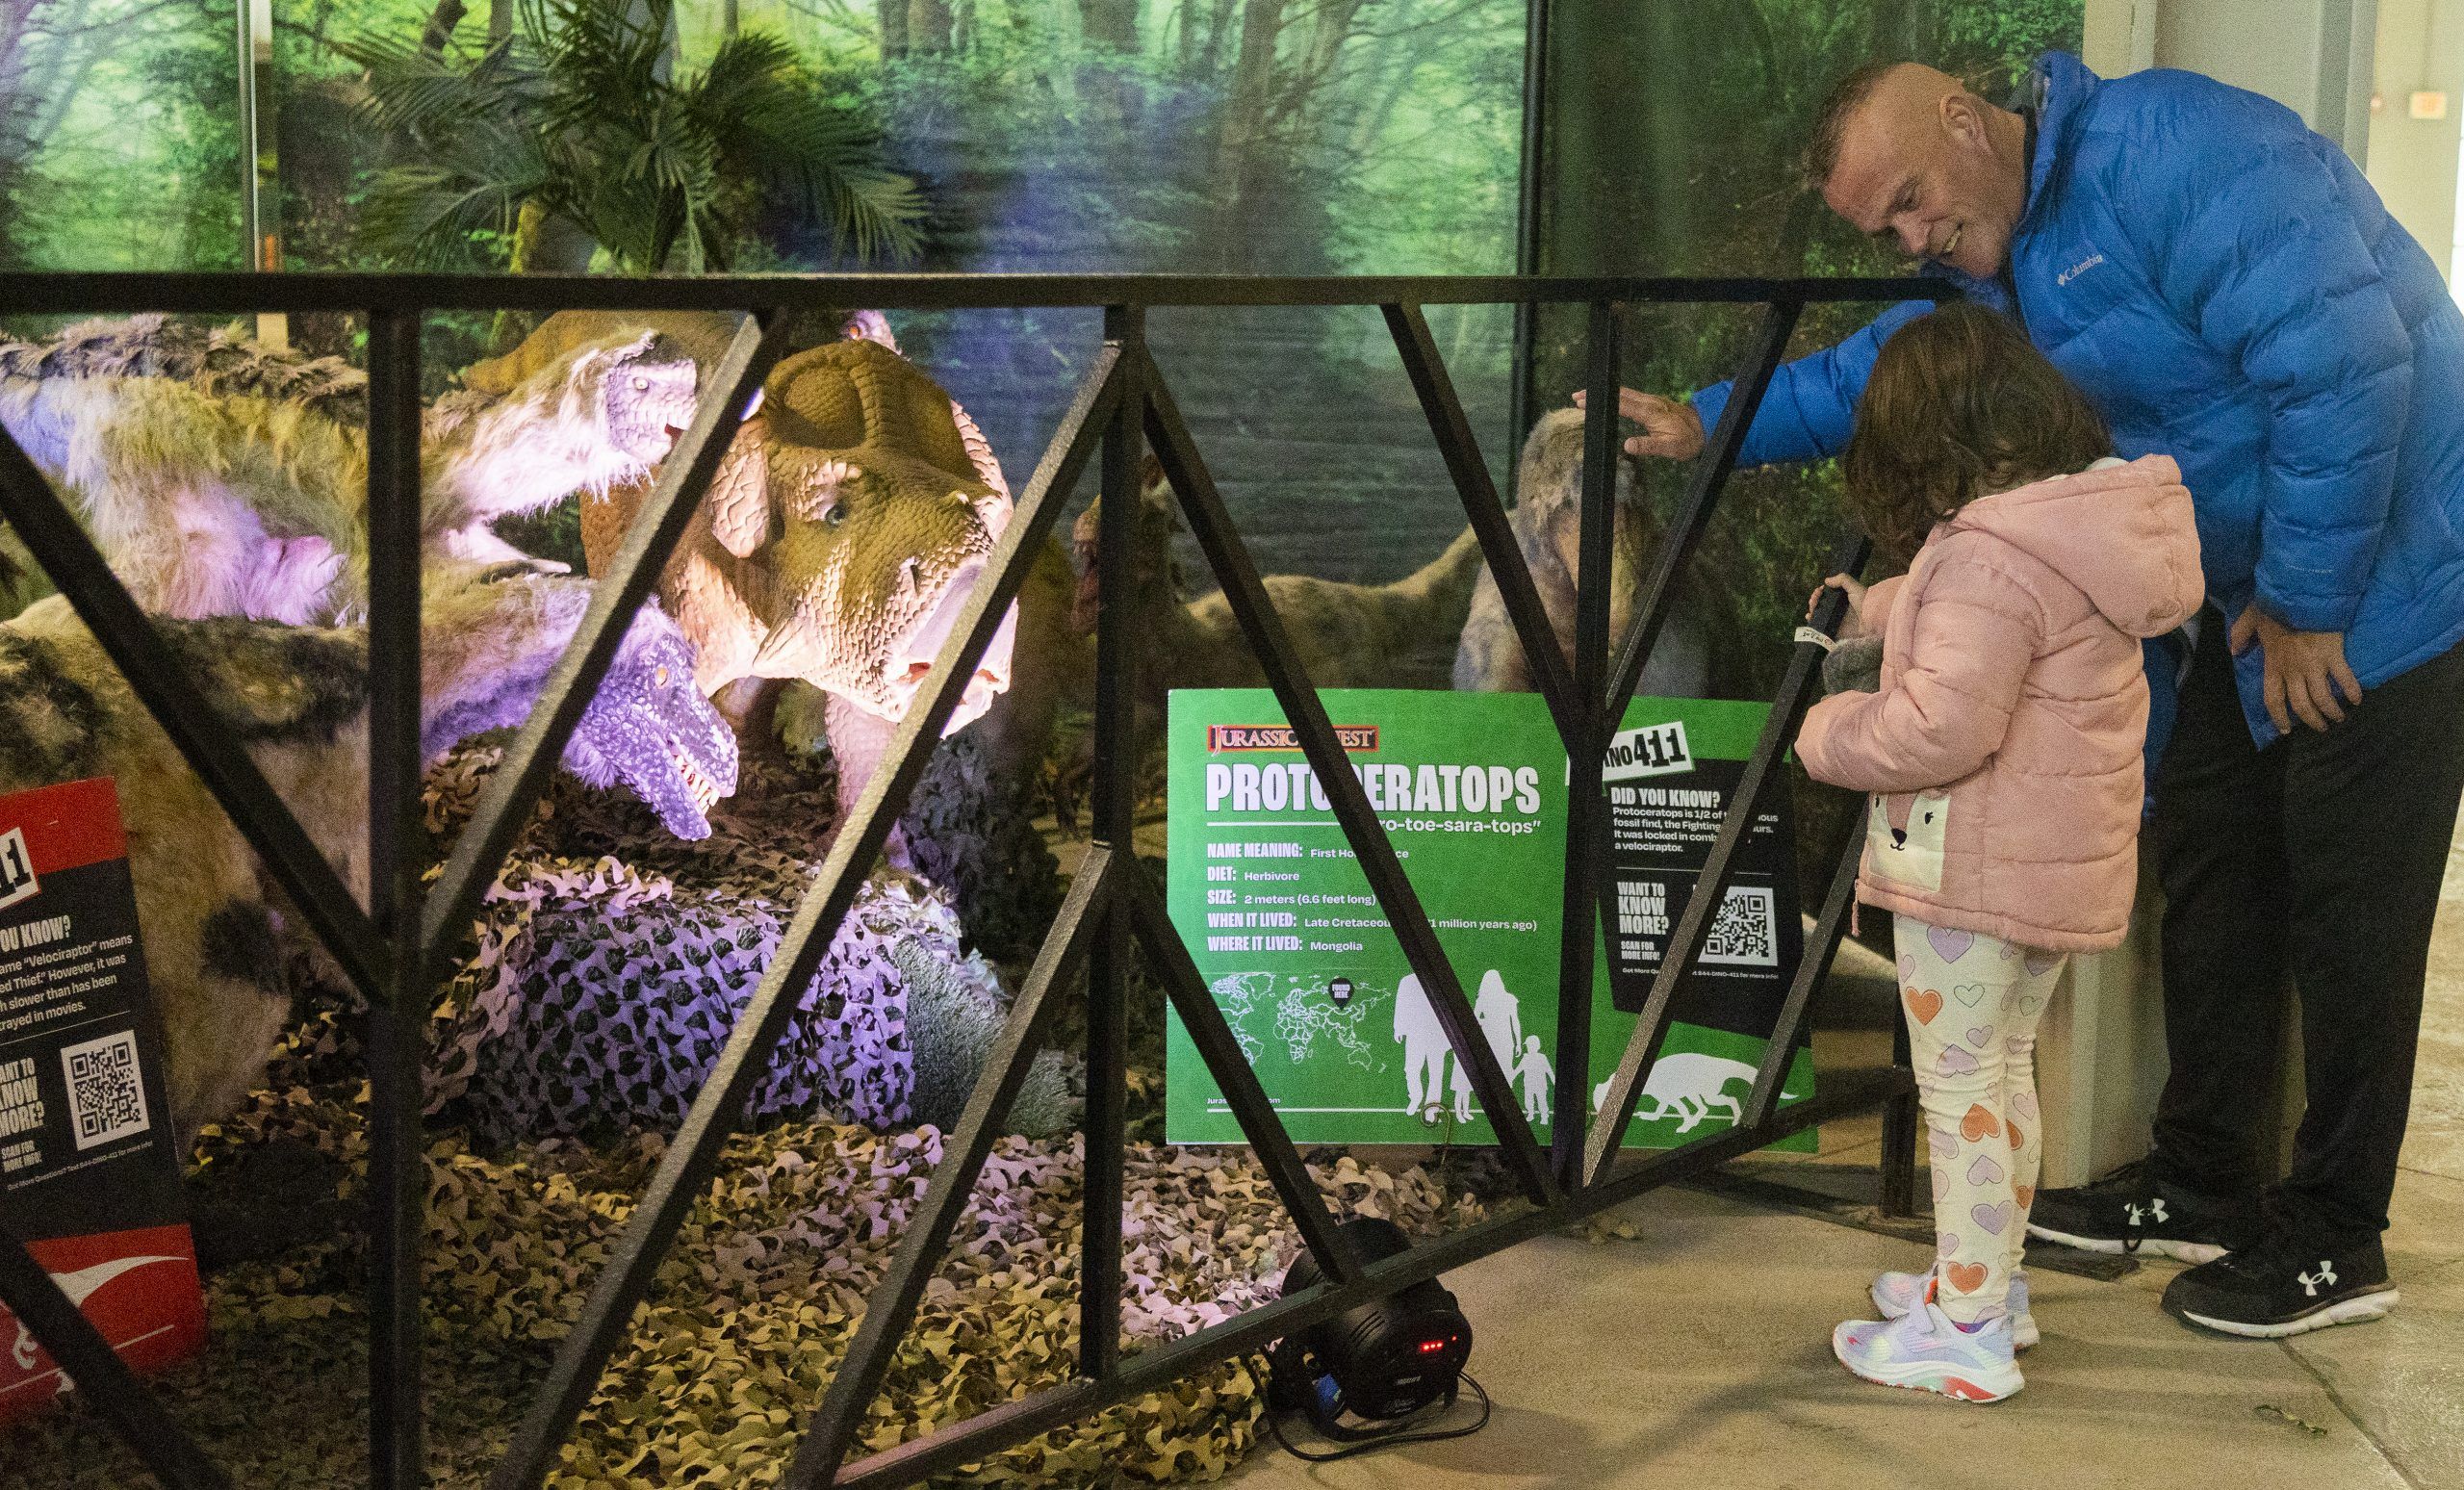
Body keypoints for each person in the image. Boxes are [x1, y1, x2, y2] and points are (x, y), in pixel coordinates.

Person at [1590, 52, 2464, 1339]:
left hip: (2388, 582)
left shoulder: (2177, 148)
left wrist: (2314, 602)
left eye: (1905, 200)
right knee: (2218, 876)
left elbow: (2347, 362)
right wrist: (1710, 423)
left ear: (1963, 118)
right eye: (1880, 225)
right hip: (2253, 600)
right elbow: (1882, 371)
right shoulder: (2003, 261)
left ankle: (2337, 1235)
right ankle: (2209, 1182)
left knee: (2351, 917)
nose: (1906, 236)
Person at [1798, 303, 2203, 1401]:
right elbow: (1981, 614)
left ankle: (1967, 1332)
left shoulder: (1986, 560)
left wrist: (1824, 731)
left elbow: (1941, 725)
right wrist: (1884, 608)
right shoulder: (2070, 529)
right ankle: (1987, 1283)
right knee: (1998, 1074)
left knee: (1960, 1087)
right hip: (2052, 868)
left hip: (1971, 873)